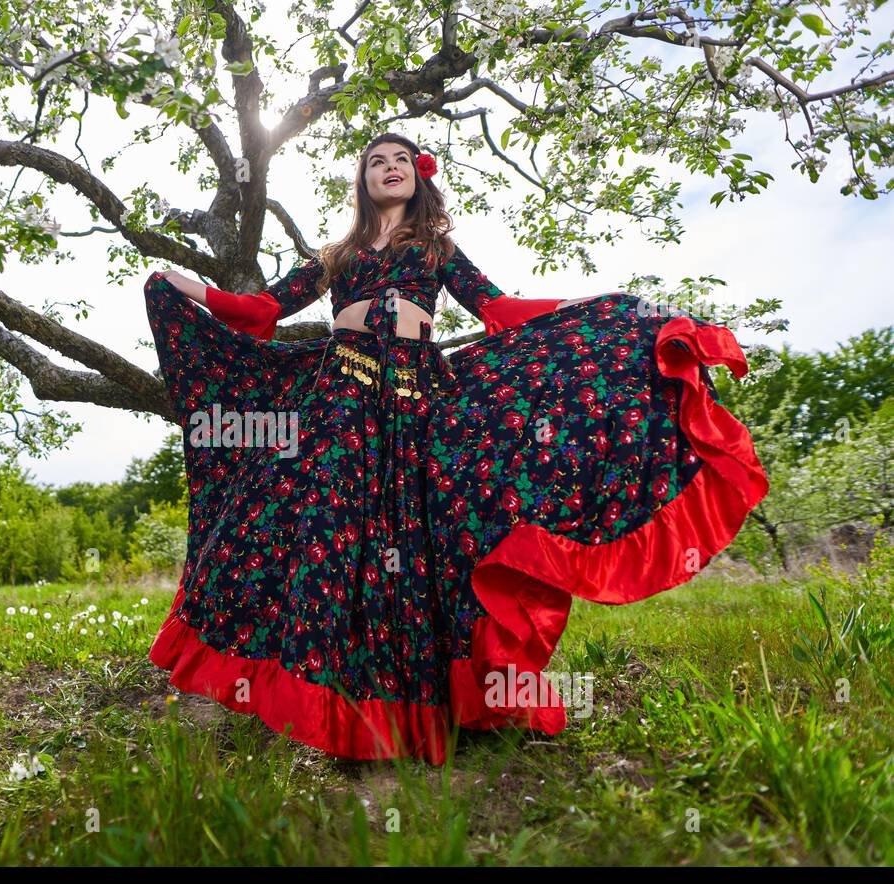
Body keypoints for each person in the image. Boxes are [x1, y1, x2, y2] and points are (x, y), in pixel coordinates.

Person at [141, 131, 768, 765]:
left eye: (401, 161)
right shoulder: (336, 255)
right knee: (332, 528)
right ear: (361, 181)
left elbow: (501, 310)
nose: (389, 169)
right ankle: (335, 706)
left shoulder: (436, 249)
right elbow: (259, 309)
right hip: (343, 392)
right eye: (375, 162)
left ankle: (421, 708)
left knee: (420, 541)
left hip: (415, 396)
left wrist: (597, 307)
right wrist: (184, 286)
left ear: (418, 177)